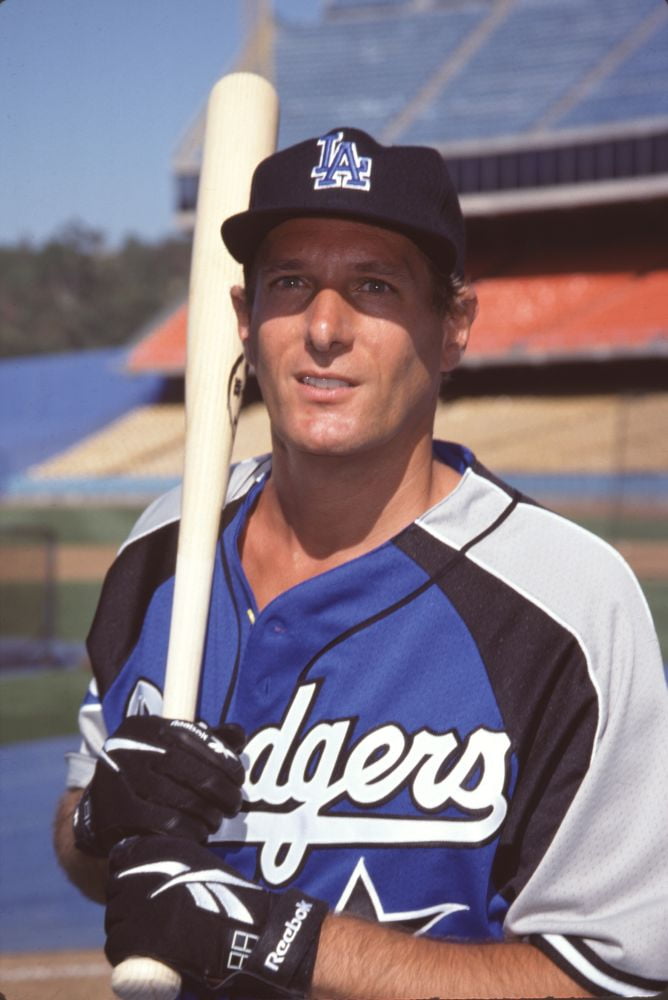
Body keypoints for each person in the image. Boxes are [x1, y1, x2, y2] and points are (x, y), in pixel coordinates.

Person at [54, 128, 668, 1000]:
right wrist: (96, 821)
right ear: (244, 320)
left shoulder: (568, 604)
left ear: (453, 327)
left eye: (375, 286)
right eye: (291, 284)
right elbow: (85, 847)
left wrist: (282, 942)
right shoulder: (162, 550)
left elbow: (615, 978)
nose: (324, 329)